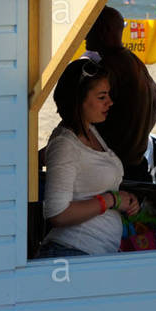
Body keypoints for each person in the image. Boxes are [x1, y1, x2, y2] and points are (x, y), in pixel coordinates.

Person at [39, 58, 141, 258]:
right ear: (79, 100)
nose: (109, 102)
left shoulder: (90, 131)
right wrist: (111, 200)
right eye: (102, 96)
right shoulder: (65, 145)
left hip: (90, 252)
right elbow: (57, 214)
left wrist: (123, 199)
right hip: (71, 252)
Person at [85, 7, 156, 181]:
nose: (84, 35)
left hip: (114, 169)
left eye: (87, 27)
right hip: (135, 163)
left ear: (104, 30)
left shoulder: (108, 67)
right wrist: (139, 136)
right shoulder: (132, 60)